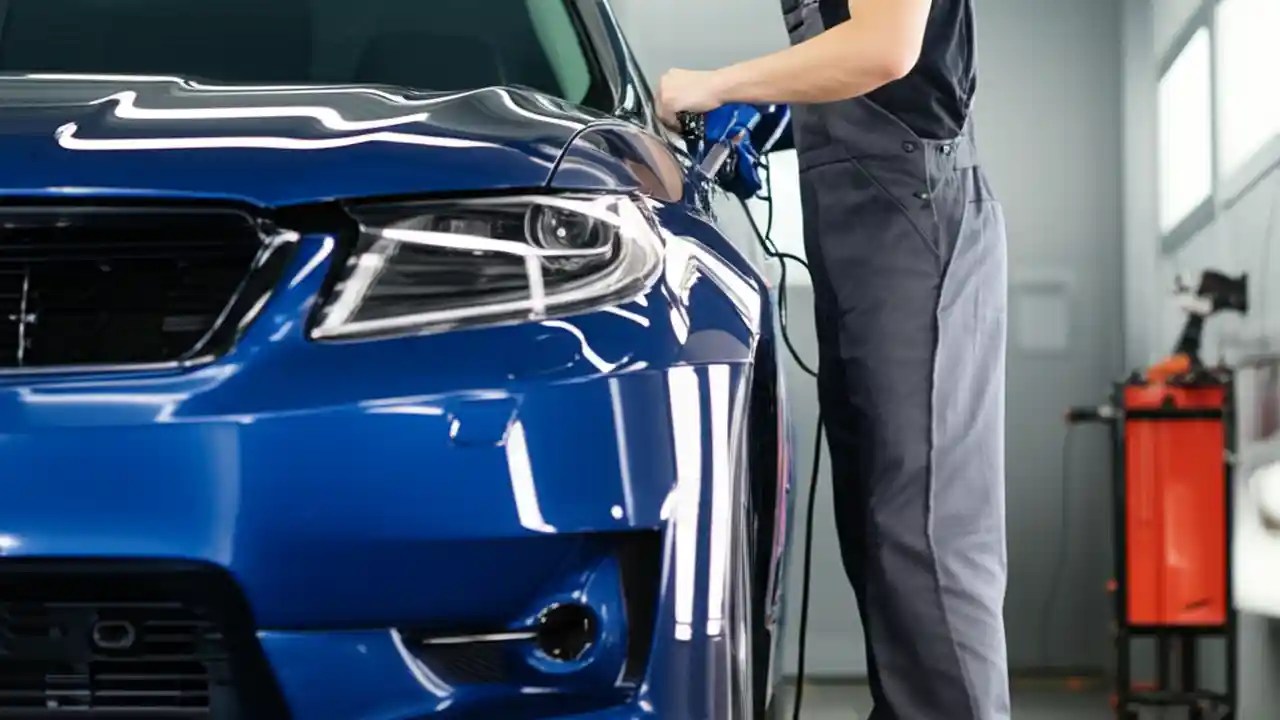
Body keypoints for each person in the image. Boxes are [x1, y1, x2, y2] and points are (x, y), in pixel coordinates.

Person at [657, 1, 1009, 718]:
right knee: (878, 523)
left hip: (915, 220)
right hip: (863, 234)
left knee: (924, 529)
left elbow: (885, 49)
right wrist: (779, 114)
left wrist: (723, 85)